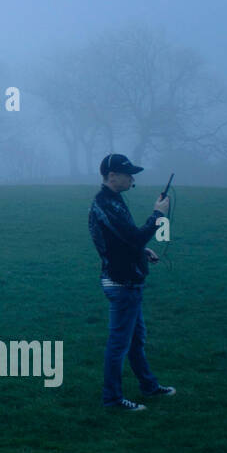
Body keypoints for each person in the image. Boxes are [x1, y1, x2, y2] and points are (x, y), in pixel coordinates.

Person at [88, 154, 176, 411]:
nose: (132, 178)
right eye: (127, 174)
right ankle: (113, 399)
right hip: (122, 284)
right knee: (119, 345)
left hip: (127, 281)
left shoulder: (113, 201)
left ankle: (149, 386)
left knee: (135, 342)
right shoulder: (106, 204)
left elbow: (123, 242)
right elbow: (135, 238)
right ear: (111, 176)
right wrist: (157, 215)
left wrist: (142, 253)